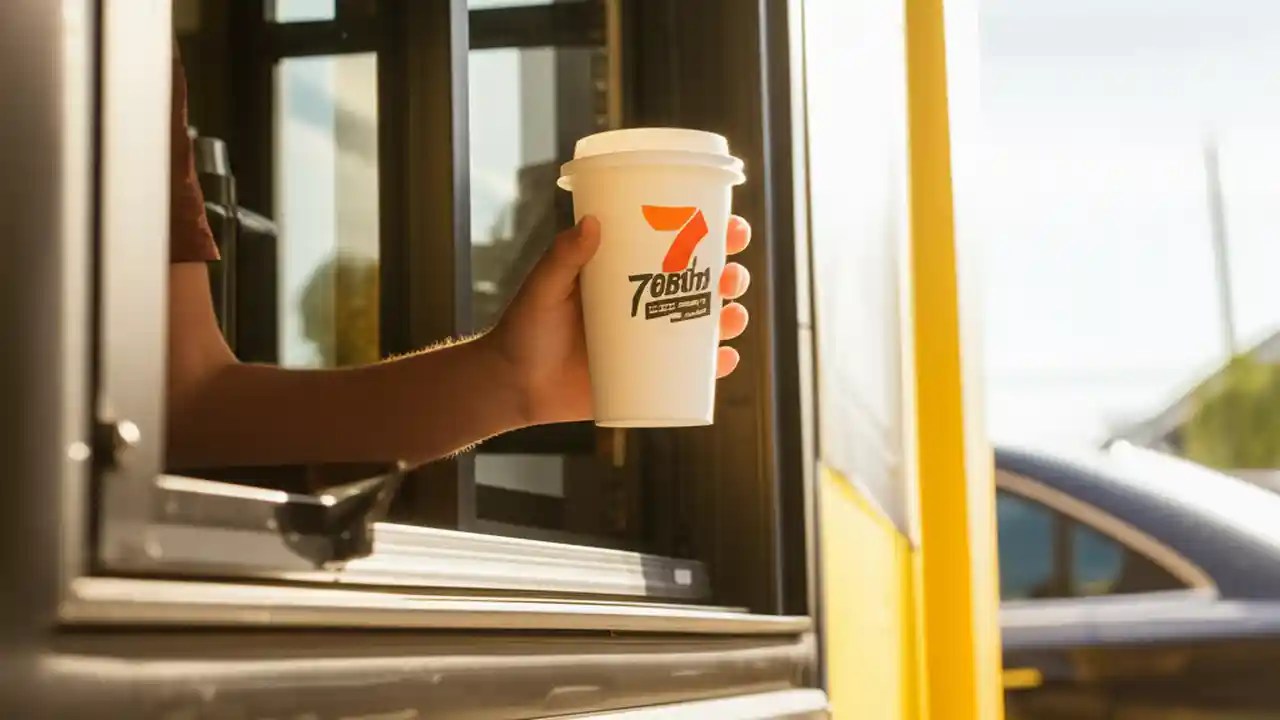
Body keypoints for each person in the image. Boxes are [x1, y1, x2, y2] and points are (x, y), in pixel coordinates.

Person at [165, 51, 753, 471]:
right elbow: (187, 405)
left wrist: (513, 381)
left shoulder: (144, 71)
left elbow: (187, 405)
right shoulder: (127, 46)